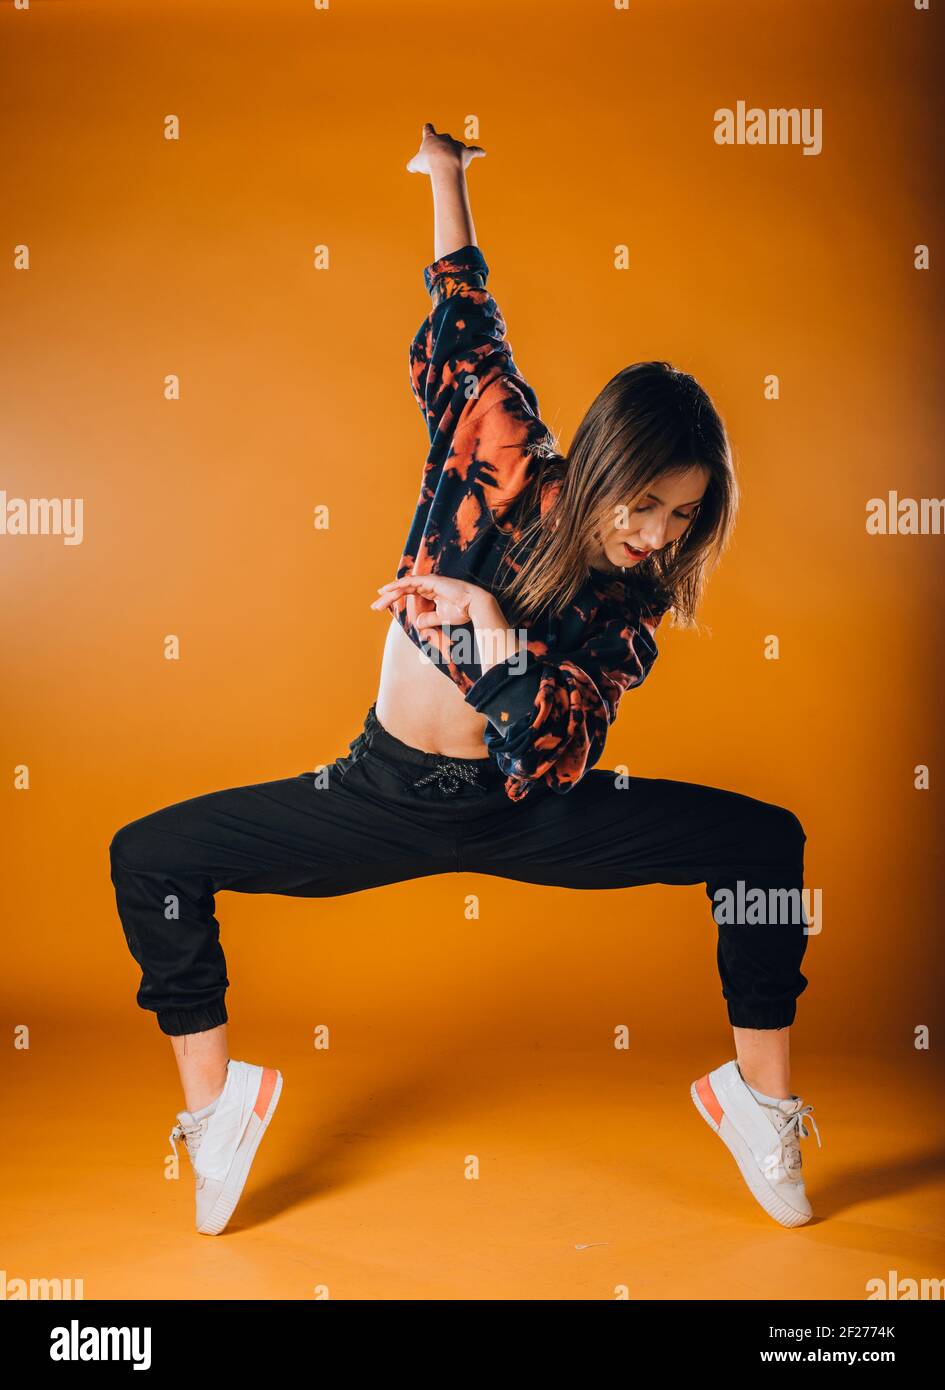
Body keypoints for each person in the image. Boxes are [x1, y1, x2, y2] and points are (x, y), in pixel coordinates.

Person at [109, 123, 821, 1238]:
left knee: (765, 846)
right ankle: (221, 1110)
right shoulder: (495, 446)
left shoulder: (629, 611)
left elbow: (549, 748)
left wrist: (490, 626)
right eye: (643, 504)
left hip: (526, 814)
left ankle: (760, 1100)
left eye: (684, 519)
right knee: (150, 859)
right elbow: (463, 307)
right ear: (595, 465)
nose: (654, 535)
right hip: (376, 795)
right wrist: (446, 177)